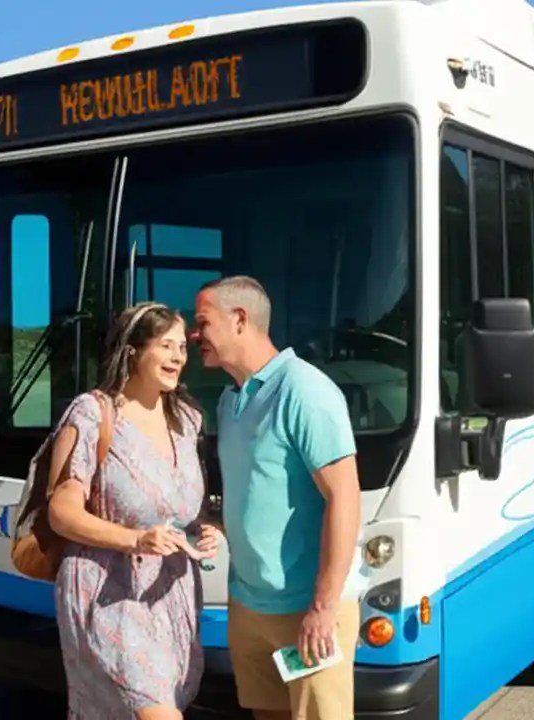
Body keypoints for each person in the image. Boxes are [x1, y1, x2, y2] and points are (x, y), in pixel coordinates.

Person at [192, 275, 365, 720]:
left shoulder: (304, 390)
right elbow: (258, 494)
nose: (194, 336)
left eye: (202, 322)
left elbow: (344, 496)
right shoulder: (230, 403)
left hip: (308, 610)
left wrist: (322, 608)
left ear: (240, 320)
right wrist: (218, 524)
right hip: (249, 607)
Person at [46, 300, 224, 720]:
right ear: (133, 351)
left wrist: (205, 529)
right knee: (154, 712)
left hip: (171, 592)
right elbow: (61, 511)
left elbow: (178, 507)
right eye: (166, 345)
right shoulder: (93, 413)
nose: (179, 356)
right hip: (108, 592)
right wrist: (135, 540)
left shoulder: (187, 418)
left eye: (182, 346)